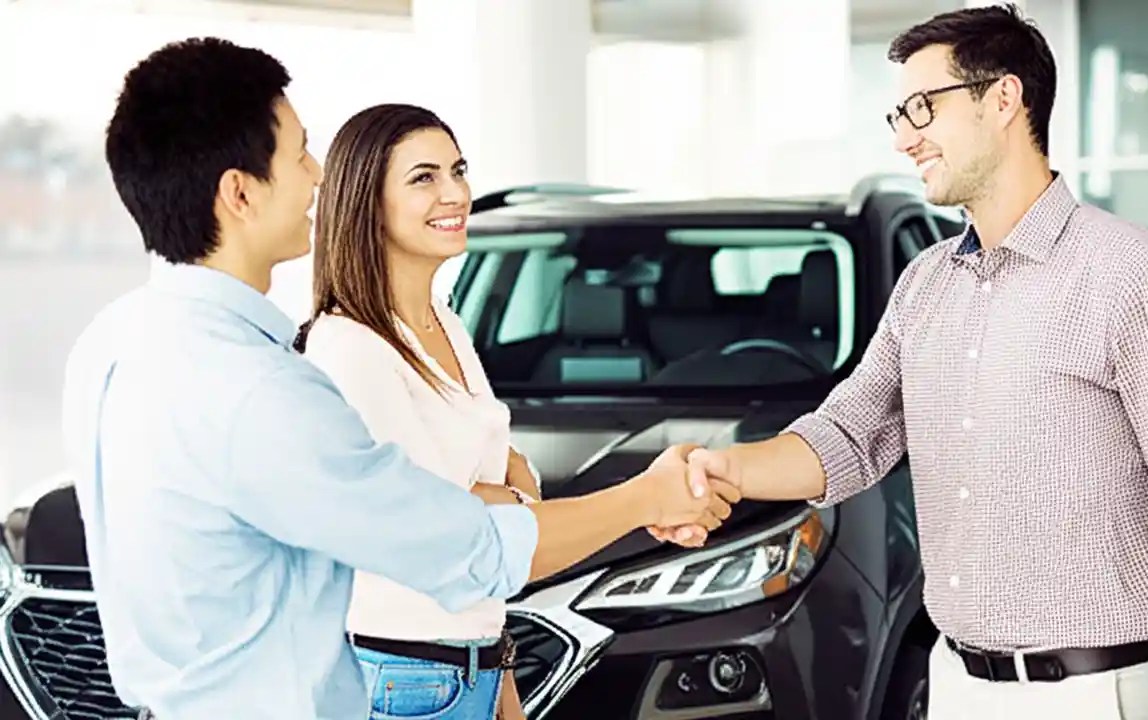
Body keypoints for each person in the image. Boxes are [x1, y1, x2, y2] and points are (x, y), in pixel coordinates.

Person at [63, 37, 738, 720]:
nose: (318, 174)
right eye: (298, 152)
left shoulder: (113, 345)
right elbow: (466, 548)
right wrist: (645, 499)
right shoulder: (262, 388)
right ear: (239, 193)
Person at [657, 5, 1148, 719]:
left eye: (924, 106)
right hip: (956, 687)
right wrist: (731, 469)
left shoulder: (1139, 276)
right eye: (900, 114)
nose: (907, 137)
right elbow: (850, 436)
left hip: (1099, 695)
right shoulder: (925, 284)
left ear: (1004, 98)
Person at [293, 103, 533, 719]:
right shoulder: (348, 346)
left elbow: (492, 489)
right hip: (402, 680)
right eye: (424, 178)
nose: (455, 193)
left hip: (469, 666)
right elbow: (440, 525)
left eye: (458, 170)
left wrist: (500, 680)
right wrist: (509, 499)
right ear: (365, 201)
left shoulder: (443, 324)